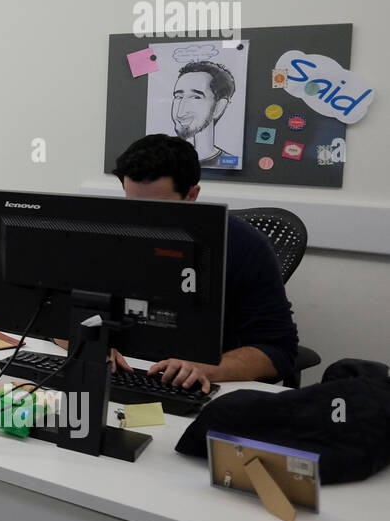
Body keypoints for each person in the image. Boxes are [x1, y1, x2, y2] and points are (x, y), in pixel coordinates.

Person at [108, 134, 299, 392]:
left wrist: (204, 367)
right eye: (135, 206)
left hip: (198, 385)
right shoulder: (109, 234)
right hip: (123, 373)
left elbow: (278, 350)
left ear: (192, 195)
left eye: (159, 208)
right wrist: (87, 343)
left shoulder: (243, 244)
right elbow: (57, 315)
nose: (145, 220)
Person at [170, 60, 238, 167]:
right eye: (178, 97)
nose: (180, 111)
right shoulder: (161, 161)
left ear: (219, 107)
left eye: (195, 97)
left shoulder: (230, 164)